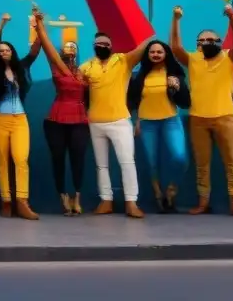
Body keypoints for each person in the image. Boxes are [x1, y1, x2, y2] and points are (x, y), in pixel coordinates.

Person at [169, 4, 233, 216]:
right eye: (201, 41)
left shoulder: (230, 57)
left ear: (219, 43)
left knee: (231, 162)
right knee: (202, 164)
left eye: (210, 40)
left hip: (226, 117)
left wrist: (232, 16)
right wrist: (176, 20)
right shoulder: (193, 59)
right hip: (198, 119)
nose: (205, 43)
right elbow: (175, 47)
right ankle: (203, 202)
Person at [79, 31, 149, 218]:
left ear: (112, 46)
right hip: (95, 122)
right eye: (98, 43)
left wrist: (146, 34)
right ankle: (106, 200)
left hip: (120, 121)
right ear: (94, 46)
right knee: (101, 165)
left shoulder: (123, 61)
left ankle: (131, 202)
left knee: (127, 162)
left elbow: (142, 47)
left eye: (105, 43)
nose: (102, 46)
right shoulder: (85, 67)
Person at [32, 12, 89, 216]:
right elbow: (47, 47)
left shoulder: (85, 71)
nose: (70, 50)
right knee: (58, 158)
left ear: (78, 52)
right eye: (67, 47)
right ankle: (63, 195)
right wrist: (39, 24)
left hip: (80, 119)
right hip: (56, 119)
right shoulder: (58, 67)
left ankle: (77, 197)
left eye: (73, 47)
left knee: (78, 158)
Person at [0, 13, 41, 220]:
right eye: (1, 50)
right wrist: (1, 24)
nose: (3, 53)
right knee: (1, 161)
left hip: (20, 119)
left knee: (21, 159)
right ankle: (6, 201)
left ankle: (22, 201)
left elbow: (36, 50)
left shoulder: (22, 67)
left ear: (12, 52)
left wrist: (39, 26)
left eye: (7, 50)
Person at [128, 38, 190, 213]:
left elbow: (186, 102)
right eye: (152, 52)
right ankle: (159, 195)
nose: (155, 54)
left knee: (180, 158)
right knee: (151, 162)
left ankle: (171, 190)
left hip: (171, 120)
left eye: (159, 52)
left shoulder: (174, 74)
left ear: (165, 55)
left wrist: (177, 87)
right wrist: (137, 121)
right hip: (147, 123)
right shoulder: (140, 76)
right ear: (147, 55)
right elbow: (133, 101)